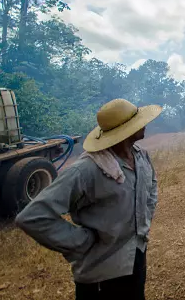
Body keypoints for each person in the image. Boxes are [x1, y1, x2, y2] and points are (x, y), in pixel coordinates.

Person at [15, 98, 162, 300]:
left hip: (136, 256)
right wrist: (81, 242)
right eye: (138, 121)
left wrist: (145, 218)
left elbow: (151, 184)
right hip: (102, 273)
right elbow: (33, 216)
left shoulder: (140, 156)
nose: (145, 124)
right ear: (125, 130)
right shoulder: (86, 170)